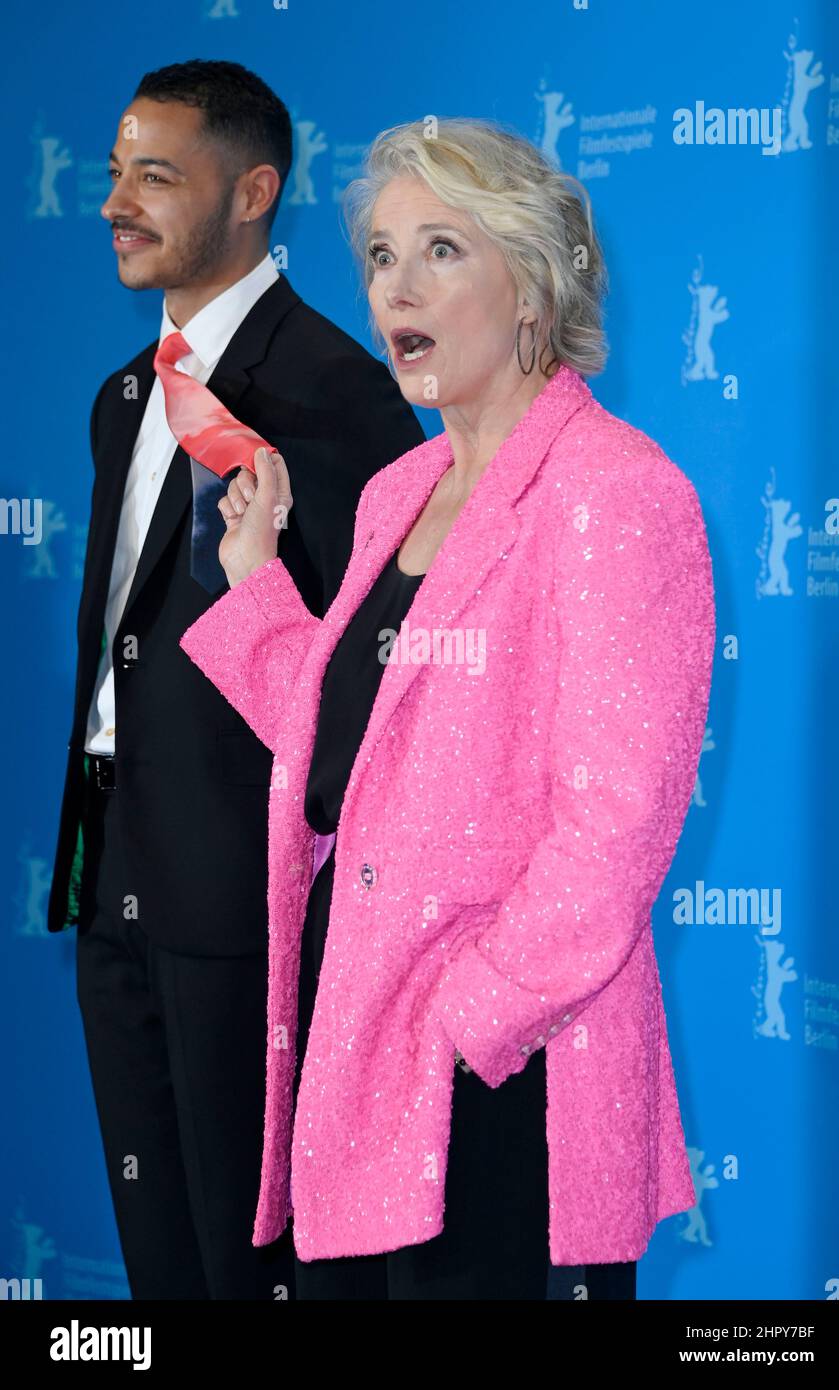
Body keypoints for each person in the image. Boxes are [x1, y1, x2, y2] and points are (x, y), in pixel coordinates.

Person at [179, 117, 715, 1300]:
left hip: (506, 1077)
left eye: (440, 250)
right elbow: (351, 758)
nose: (396, 288)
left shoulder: (617, 495)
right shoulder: (398, 490)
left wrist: (463, 1021)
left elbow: (615, 836)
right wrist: (258, 580)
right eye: (377, 255)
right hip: (357, 1055)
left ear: (529, 286)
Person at [47, 62, 424, 1301]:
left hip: (248, 923)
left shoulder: (340, 393)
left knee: (246, 1276)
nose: (116, 201)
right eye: (115, 172)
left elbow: (368, 687)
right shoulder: (121, 398)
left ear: (255, 192)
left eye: (155, 175)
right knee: (162, 1280)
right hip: (115, 902)